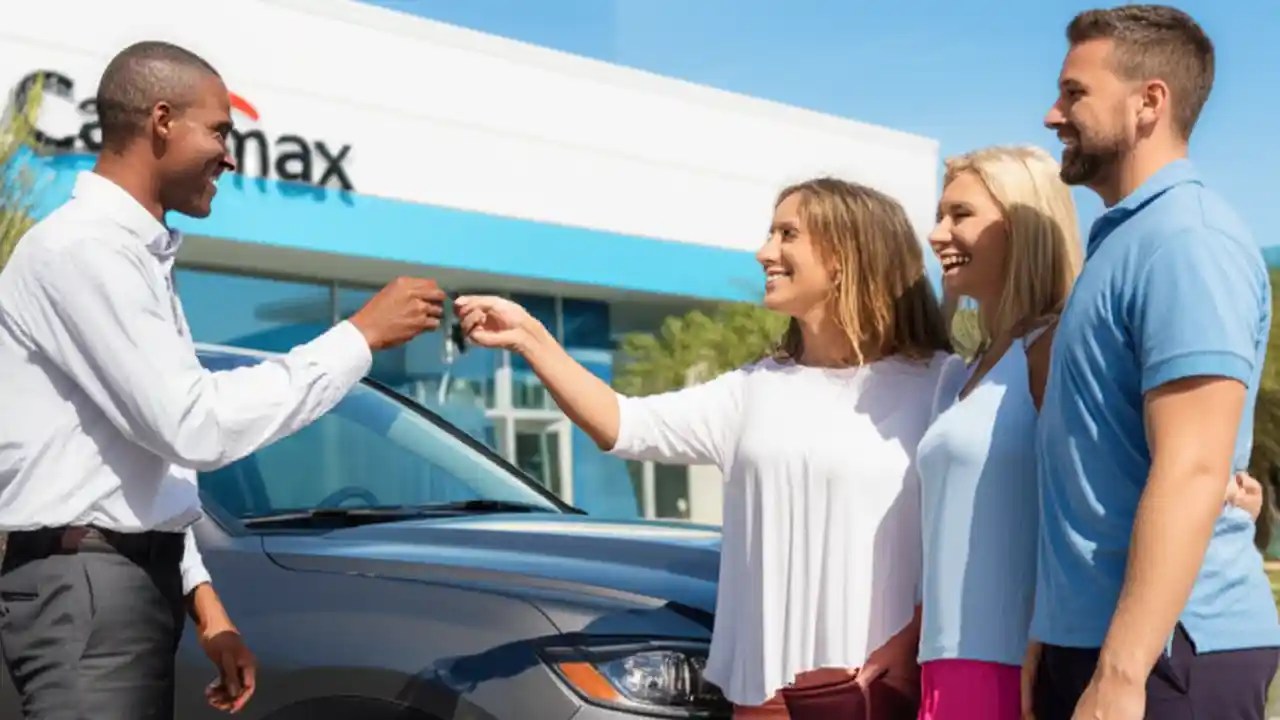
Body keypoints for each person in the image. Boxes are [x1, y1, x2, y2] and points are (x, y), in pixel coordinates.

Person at [0, 41, 445, 720]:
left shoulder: (130, 255)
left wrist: (204, 608)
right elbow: (194, 425)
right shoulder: (82, 250)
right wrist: (359, 337)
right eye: (219, 131)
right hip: (87, 592)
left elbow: (149, 463)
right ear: (161, 121)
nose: (230, 156)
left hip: (115, 585)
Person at [456, 177, 952, 719]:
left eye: (788, 234)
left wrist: (910, 641)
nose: (765, 252)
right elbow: (622, 424)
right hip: (765, 695)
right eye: (771, 233)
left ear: (847, 256)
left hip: (888, 688)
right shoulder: (754, 387)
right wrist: (531, 337)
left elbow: (972, 536)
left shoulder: (942, 385)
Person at [1031, 6, 1280, 719]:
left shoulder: (1186, 242)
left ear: (1150, 102)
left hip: (1167, 656)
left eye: (1074, 92)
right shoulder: (1124, 242)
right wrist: (1053, 633)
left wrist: (1119, 673)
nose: (1052, 114)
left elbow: (1195, 466)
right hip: (1107, 645)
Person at [915, 144, 1083, 720]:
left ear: (1020, 227)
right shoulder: (964, 373)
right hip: (944, 662)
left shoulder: (1054, 348)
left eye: (959, 215)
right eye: (940, 215)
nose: (937, 235)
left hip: (1015, 664)